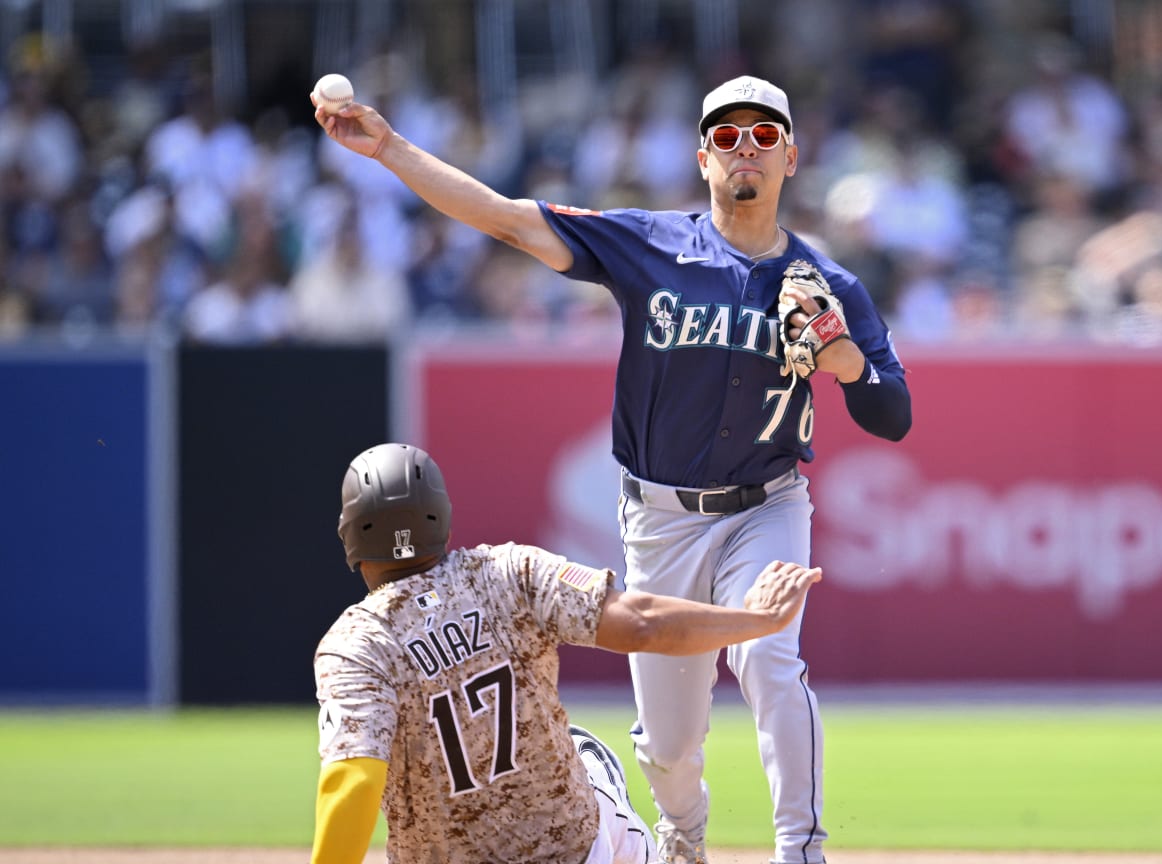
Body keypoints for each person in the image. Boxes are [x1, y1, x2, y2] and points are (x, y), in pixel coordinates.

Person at [314, 73, 912, 864]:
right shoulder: (651, 244)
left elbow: (892, 414)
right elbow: (503, 220)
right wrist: (388, 148)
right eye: (727, 136)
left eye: (764, 136)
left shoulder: (830, 286)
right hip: (659, 517)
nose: (746, 149)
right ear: (703, 158)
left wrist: (844, 364)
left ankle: (801, 849)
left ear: (791, 157)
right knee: (668, 748)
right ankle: (683, 831)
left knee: (769, 654)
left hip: (767, 504)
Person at [311, 442, 824, 864]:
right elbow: (642, 623)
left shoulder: (354, 647)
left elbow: (353, 781)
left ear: (351, 535)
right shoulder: (507, 573)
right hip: (579, 852)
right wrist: (757, 620)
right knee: (588, 753)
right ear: (440, 516)